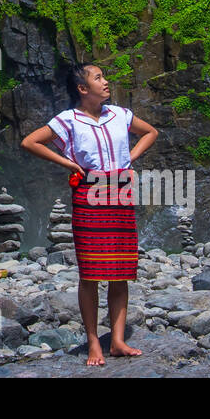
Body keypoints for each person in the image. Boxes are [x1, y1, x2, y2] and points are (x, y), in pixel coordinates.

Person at [20, 62, 158, 366]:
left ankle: (118, 340)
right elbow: (30, 141)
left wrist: (130, 157)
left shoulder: (120, 115)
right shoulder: (68, 120)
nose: (106, 82)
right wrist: (68, 164)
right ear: (83, 89)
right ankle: (94, 342)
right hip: (89, 193)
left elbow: (150, 132)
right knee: (92, 272)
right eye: (99, 78)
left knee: (121, 269)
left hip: (120, 190)